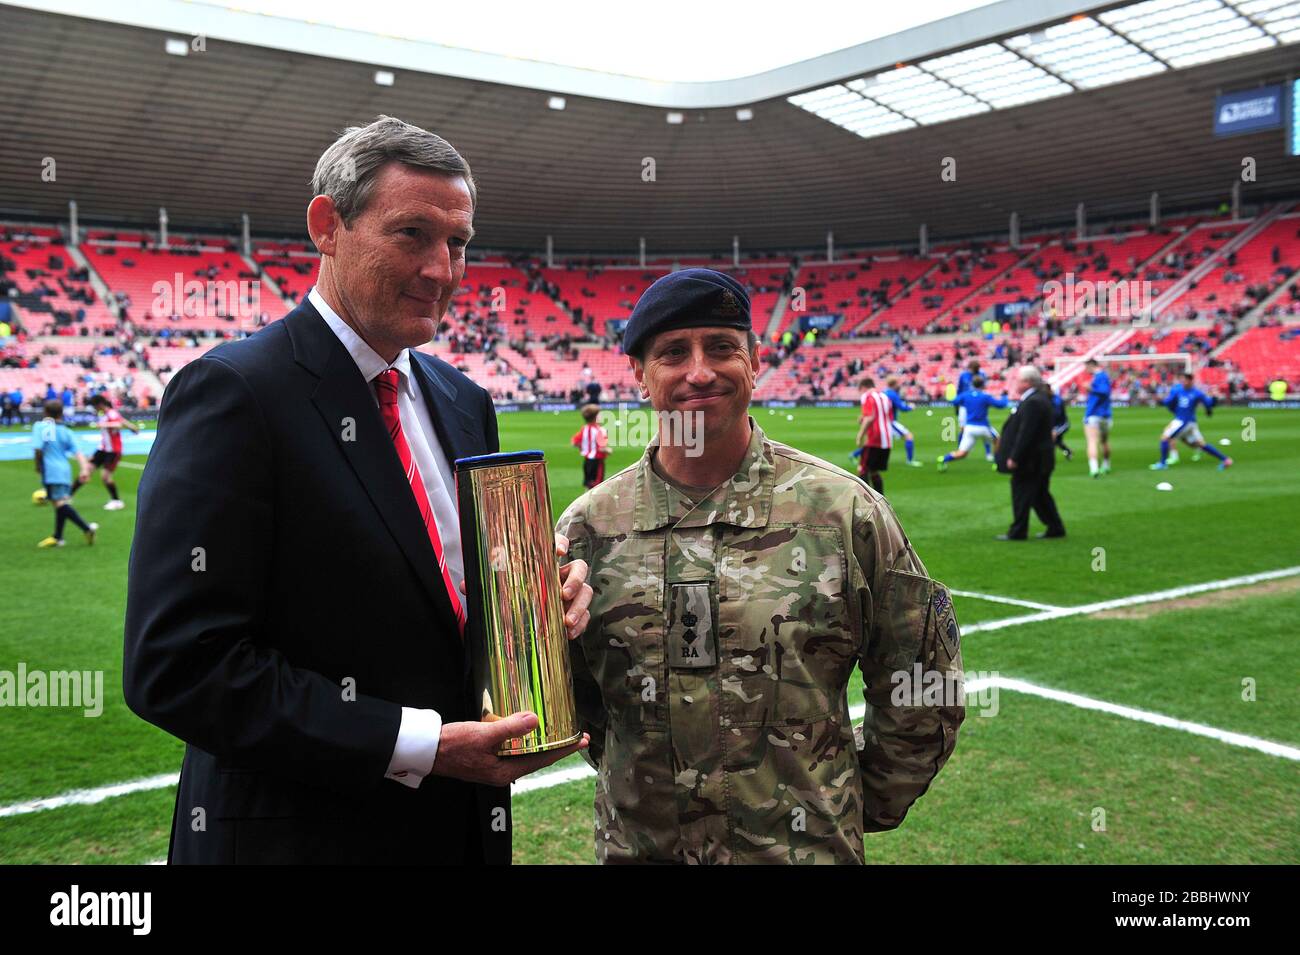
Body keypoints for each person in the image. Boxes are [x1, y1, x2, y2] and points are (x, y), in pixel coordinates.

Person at [123, 116, 593, 865]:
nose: (442, 269)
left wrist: (533, 598)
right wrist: (420, 746)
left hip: (461, 836)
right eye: (411, 234)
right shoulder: (237, 392)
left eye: (459, 243)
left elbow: (440, 604)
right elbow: (179, 665)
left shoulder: (464, 399)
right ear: (327, 226)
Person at [554, 268, 964, 864]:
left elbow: (922, 678)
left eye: (722, 347)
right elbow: (575, 695)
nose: (700, 371)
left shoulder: (845, 512)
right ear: (640, 377)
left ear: (754, 362)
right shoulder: (587, 528)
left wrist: (855, 801)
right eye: (673, 353)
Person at [997, 366, 1065, 541]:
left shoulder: (1033, 401)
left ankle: (1018, 531)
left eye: (1018, 380)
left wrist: (1015, 456)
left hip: (1031, 460)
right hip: (1039, 458)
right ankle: (1055, 527)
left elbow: (1026, 433)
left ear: (1027, 383)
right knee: (1039, 495)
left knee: (1022, 493)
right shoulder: (1038, 399)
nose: (1015, 383)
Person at [32, 399, 97, 548]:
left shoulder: (40, 427)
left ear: (45, 412)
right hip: (64, 470)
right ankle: (58, 537)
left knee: (59, 503)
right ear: (61, 413)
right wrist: (84, 469)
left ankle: (87, 529)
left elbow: (37, 449)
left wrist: (37, 466)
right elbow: (78, 452)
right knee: (59, 502)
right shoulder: (66, 431)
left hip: (50, 471)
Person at [1150, 372, 1233, 471]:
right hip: (1185, 421)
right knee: (1199, 444)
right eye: (1181, 380)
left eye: (1184, 380)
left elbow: (1209, 404)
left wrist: (1214, 398)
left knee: (1165, 438)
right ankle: (1225, 460)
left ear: (1190, 381)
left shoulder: (1197, 393)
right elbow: (1168, 402)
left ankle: (1163, 463)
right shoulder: (1177, 390)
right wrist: (1160, 400)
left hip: (1184, 421)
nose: (1182, 382)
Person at [938, 375, 1008, 471]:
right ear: (983, 385)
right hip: (983, 427)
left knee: (962, 453)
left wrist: (949, 393)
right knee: (998, 440)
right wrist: (1005, 396)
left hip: (969, 428)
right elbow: (1001, 405)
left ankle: (943, 459)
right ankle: (997, 463)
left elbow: (954, 401)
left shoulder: (966, 395)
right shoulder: (985, 396)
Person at [85, 393, 140, 510]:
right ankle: (68, 496)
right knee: (89, 470)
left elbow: (119, 424)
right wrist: (132, 427)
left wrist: (103, 424)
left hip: (113, 450)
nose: (94, 409)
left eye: (95, 406)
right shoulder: (106, 414)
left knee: (105, 476)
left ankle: (117, 501)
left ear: (99, 405)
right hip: (104, 449)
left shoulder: (111, 413)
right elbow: (122, 421)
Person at [856, 375, 893, 494]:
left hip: (874, 438)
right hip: (887, 439)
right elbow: (886, 417)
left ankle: (866, 502)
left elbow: (870, 418)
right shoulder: (884, 396)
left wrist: (860, 435)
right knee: (874, 471)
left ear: (863, 387)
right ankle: (881, 500)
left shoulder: (867, 396)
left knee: (862, 469)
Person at [956, 359, 993, 461]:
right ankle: (960, 450)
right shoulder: (963, 375)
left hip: (976, 403)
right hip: (965, 403)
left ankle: (988, 453)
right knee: (963, 428)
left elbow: (984, 387)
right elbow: (959, 389)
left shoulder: (982, 374)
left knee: (984, 426)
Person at [883, 375, 923, 466]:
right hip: (890, 422)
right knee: (909, 436)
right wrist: (911, 407)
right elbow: (902, 408)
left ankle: (855, 455)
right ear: (894, 384)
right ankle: (910, 460)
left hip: (883, 421)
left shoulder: (884, 392)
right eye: (898, 383)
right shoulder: (892, 394)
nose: (899, 385)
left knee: (877, 442)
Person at [1083, 357, 1112, 477]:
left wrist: (1091, 389)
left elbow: (1104, 391)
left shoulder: (1100, 376)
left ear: (1091, 365)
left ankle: (1094, 468)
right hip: (1105, 415)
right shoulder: (1101, 377)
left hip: (1094, 414)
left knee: (1092, 441)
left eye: (1086, 366)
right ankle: (1106, 465)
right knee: (1104, 441)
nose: (1085, 369)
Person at [571, 402, 609, 488]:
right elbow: (602, 448)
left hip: (587, 460)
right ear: (595, 417)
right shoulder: (600, 430)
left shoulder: (584, 429)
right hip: (597, 461)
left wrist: (584, 448)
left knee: (588, 484)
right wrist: (609, 450)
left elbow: (574, 442)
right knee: (597, 485)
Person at [1050, 385, 1072, 461]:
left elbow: (1057, 414)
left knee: (1052, 438)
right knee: (1057, 442)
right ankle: (1068, 451)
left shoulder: (1056, 400)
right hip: (1055, 424)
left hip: (1061, 424)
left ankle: (1050, 458)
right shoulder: (1052, 399)